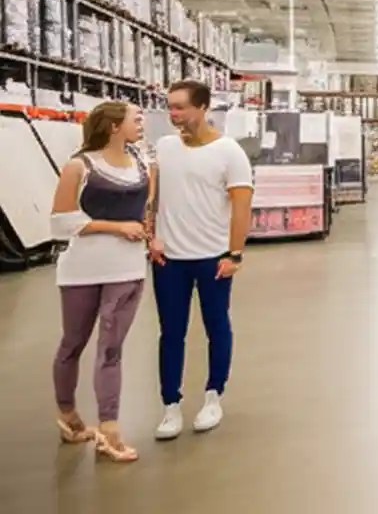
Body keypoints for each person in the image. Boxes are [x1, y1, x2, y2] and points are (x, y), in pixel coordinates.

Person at [148, 80, 253, 440]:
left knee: (216, 326)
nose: (173, 114)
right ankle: (170, 405)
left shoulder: (229, 152)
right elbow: (153, 196)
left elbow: (241, 206)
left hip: (213, 259)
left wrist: (234, 253)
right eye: (170, 107)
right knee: (171, 332)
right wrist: (151, 236)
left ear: (203, 107)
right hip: (169, 259)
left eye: (180, 107)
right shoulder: (163, 147)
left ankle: (213, 395)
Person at [50, 101, 152, 463]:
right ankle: (68, 416)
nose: (142, 123)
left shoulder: (143, 166)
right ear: (112, 126)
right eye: (135, 118)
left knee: (111, 349)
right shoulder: (80, 166)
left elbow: (148, 211)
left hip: (127, 270)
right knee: (73, 343)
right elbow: (61, 222)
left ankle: (109, 429)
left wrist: (149, 233)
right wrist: (117, 226)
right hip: (81, 270)